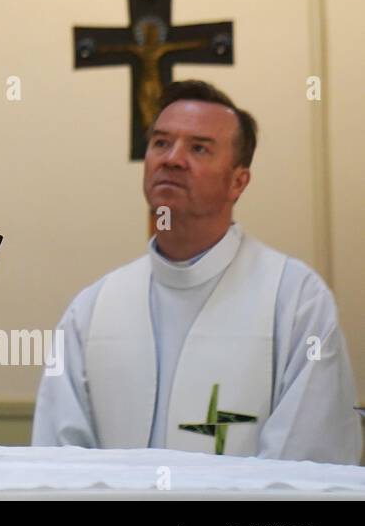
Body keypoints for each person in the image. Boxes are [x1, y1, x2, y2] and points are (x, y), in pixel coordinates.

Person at [33, 80, 361, 463]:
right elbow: (57, 461)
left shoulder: (296, 299)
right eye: (160, 143)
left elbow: (308, 461)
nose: (172, 159)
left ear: (238, 181)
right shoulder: (92, 308)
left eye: (199, 148)